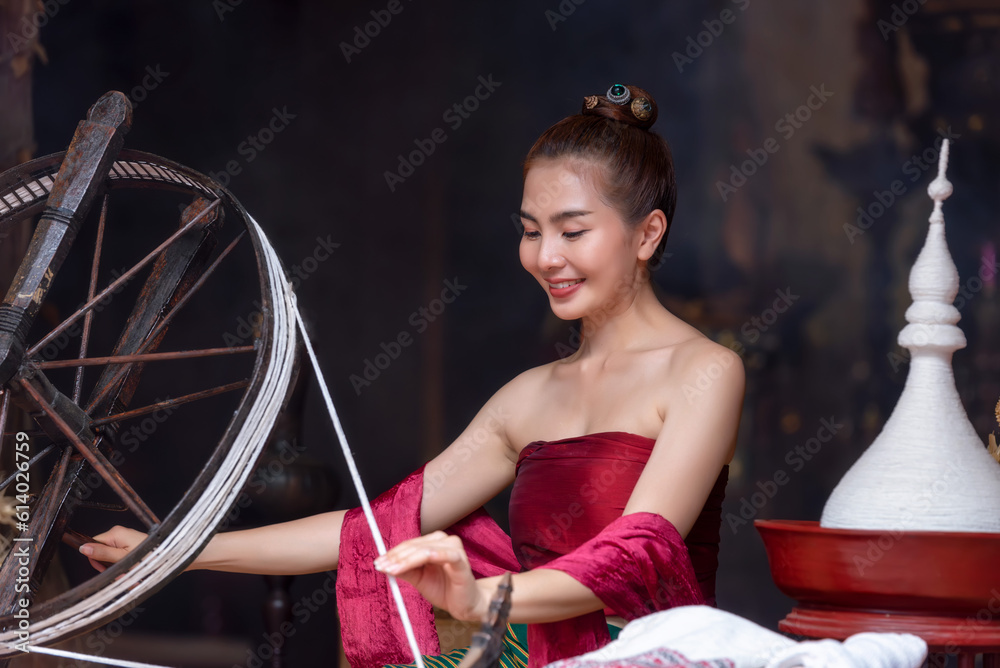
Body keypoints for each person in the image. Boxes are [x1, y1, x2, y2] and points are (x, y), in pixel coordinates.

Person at [80, 84, 745, 668]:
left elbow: (637, 552)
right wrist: (173, 550)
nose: (546, 257)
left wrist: (482, 597)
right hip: (528, 650)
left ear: (648, 233)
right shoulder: (527, 398)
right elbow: (372, 530)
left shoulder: (705, 371)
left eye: (573, 232)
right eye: (530, 230)